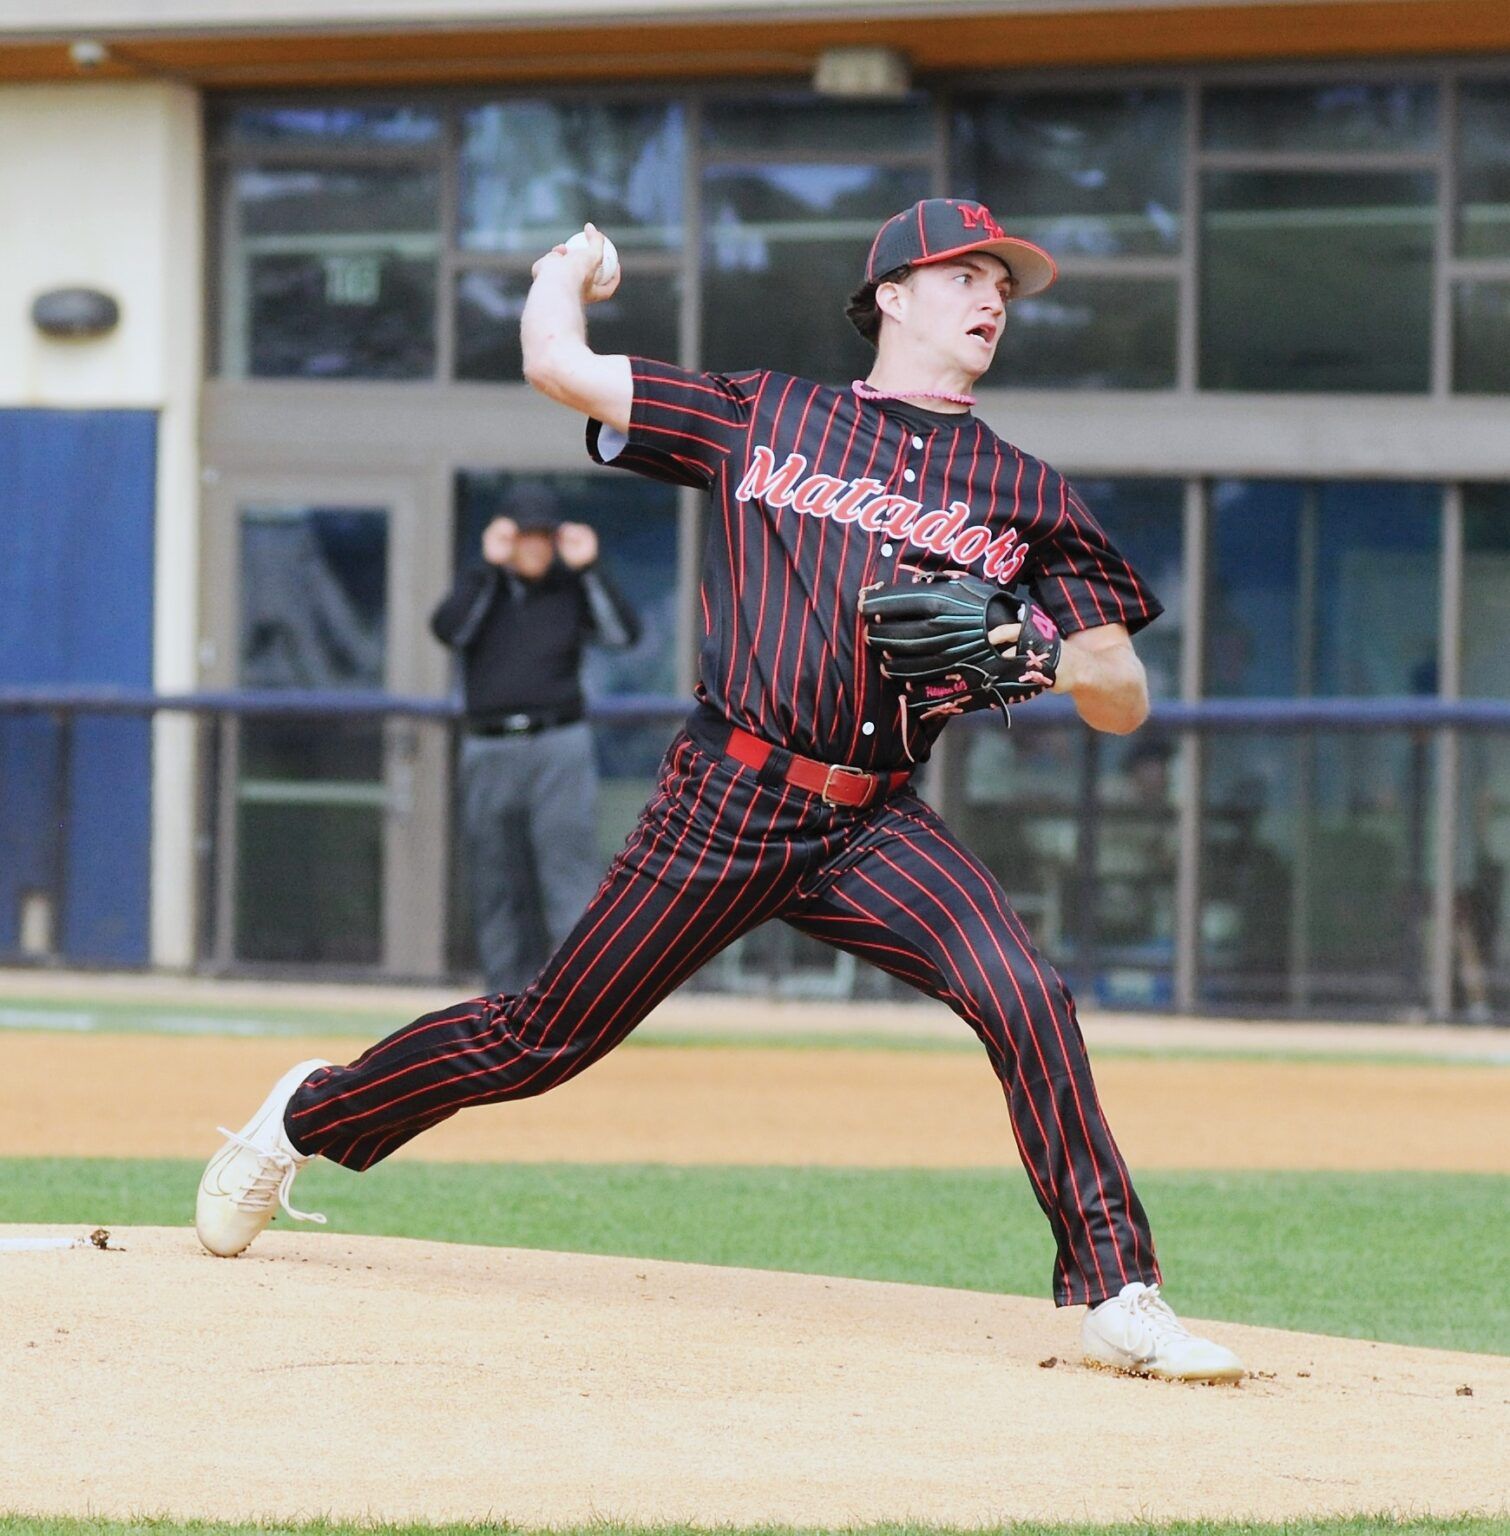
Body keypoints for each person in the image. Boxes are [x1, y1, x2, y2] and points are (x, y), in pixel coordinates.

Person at [196, 198, 1244, 1384]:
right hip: (727, 797)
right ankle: (305, 1118)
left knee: (1027, 997)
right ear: (891, 296)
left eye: (1005, 282)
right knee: (544, 1039)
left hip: (872, 819)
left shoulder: (1025, 491)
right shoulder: (765, 414)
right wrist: (561, 272)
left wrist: (1041, 655)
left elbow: (1124, 691)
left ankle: (1119, 1290)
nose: (993, 296)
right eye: (965, 274)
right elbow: (556, 365)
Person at [431, 496, 640, 994]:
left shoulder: (570, 587)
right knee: (496, 879)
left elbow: (622, 633)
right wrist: (487, 566)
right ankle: (505, 998)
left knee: (567, 874)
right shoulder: (482, 586)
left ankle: (576, 999)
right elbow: (448, 629)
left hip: (558, 743)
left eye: (543, 536)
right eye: (526, 535)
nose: (535, 547)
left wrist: (589, 568)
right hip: (491, 744)